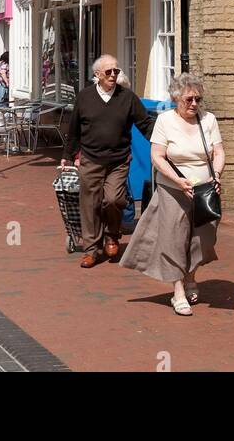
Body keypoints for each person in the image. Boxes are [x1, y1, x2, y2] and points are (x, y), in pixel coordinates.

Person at [121, 73, 225, 316]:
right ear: (176, 98)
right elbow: (157, 156)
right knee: (174, 239)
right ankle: (178, 290)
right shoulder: (165, 120)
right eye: (188, 99)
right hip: (173, 190)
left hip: (204, 189)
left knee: (203, 238)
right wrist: (177, 179)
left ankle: (191, 276)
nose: (194, 104)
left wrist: (217, 175)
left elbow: (218, 152)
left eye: (198, 99)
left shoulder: (208, 120)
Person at [61, 54, 155, 269]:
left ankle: (112, 235)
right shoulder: (85, 98)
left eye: (116, 71)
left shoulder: (127, 97)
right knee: (90, 204)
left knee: (114, 200)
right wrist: (68, 155)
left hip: (118, 159)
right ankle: (91, 250)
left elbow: (145, 124)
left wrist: (163, 141)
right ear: (97, 75)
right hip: (91, 159)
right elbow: (74, 130)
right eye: (109, 71)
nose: (113, 75)